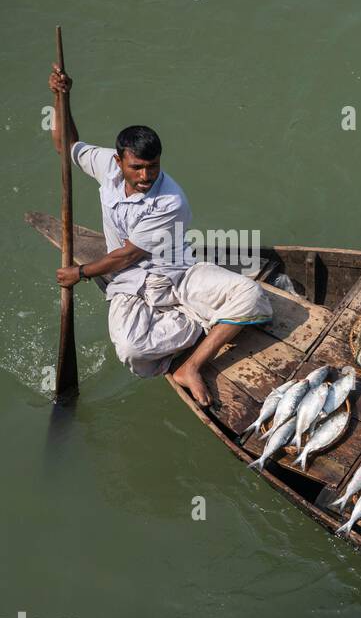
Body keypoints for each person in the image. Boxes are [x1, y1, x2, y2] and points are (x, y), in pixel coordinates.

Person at [47, 64, 272, 406]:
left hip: (178, 274)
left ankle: (192, 364)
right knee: (131, 349)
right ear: (119, 160)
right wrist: (60, 97)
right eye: (137, 167)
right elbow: (67, 145)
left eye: (153, 166)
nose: (146, 175)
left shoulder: (170, 201)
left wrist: (79, 273)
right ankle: (196, 324)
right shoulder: (105, 165)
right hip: (129, 283)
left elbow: (127, 254)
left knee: (252, 296)